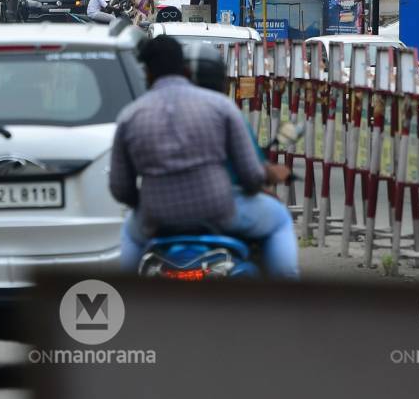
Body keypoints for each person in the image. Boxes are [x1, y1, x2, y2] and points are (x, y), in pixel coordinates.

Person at [110, 35, 297, 279]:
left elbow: (120, 189)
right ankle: (287, 294)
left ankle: (128, 299)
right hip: (219, 213)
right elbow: (251, 176)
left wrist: (146, 203)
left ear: (147, 73)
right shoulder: (221, 107)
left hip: (156, 218)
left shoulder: (130, 117)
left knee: (129, 232)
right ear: (185, 69)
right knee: (280, 218)